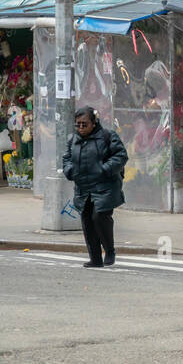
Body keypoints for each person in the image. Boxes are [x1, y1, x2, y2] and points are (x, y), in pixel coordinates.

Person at [62, 106, 128, 268]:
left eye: (84, 124)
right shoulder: (73, 140)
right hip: (83, 187)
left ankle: (109, 250)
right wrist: (70, 170)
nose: (81, 128)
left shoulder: (107, 136)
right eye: (78, 124)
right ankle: (95, 258)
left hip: (105, 186)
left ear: (94, 123)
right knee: (87, 221)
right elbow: (67, 158)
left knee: (99, 217)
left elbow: (121, 156)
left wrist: (104, 170)